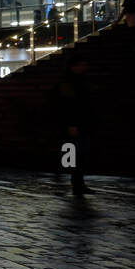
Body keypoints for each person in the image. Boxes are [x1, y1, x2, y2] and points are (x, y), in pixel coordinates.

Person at [55, 54, 94, 195]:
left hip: (79, 123)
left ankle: (77, 183)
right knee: (78, 153)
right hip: (76, 123)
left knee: (78, 154)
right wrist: (71, 124)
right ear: (74, 66)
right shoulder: (71, 83)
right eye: (82, 64)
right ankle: (77, 183)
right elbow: (68, 105)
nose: (85, 67)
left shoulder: (73, 81)